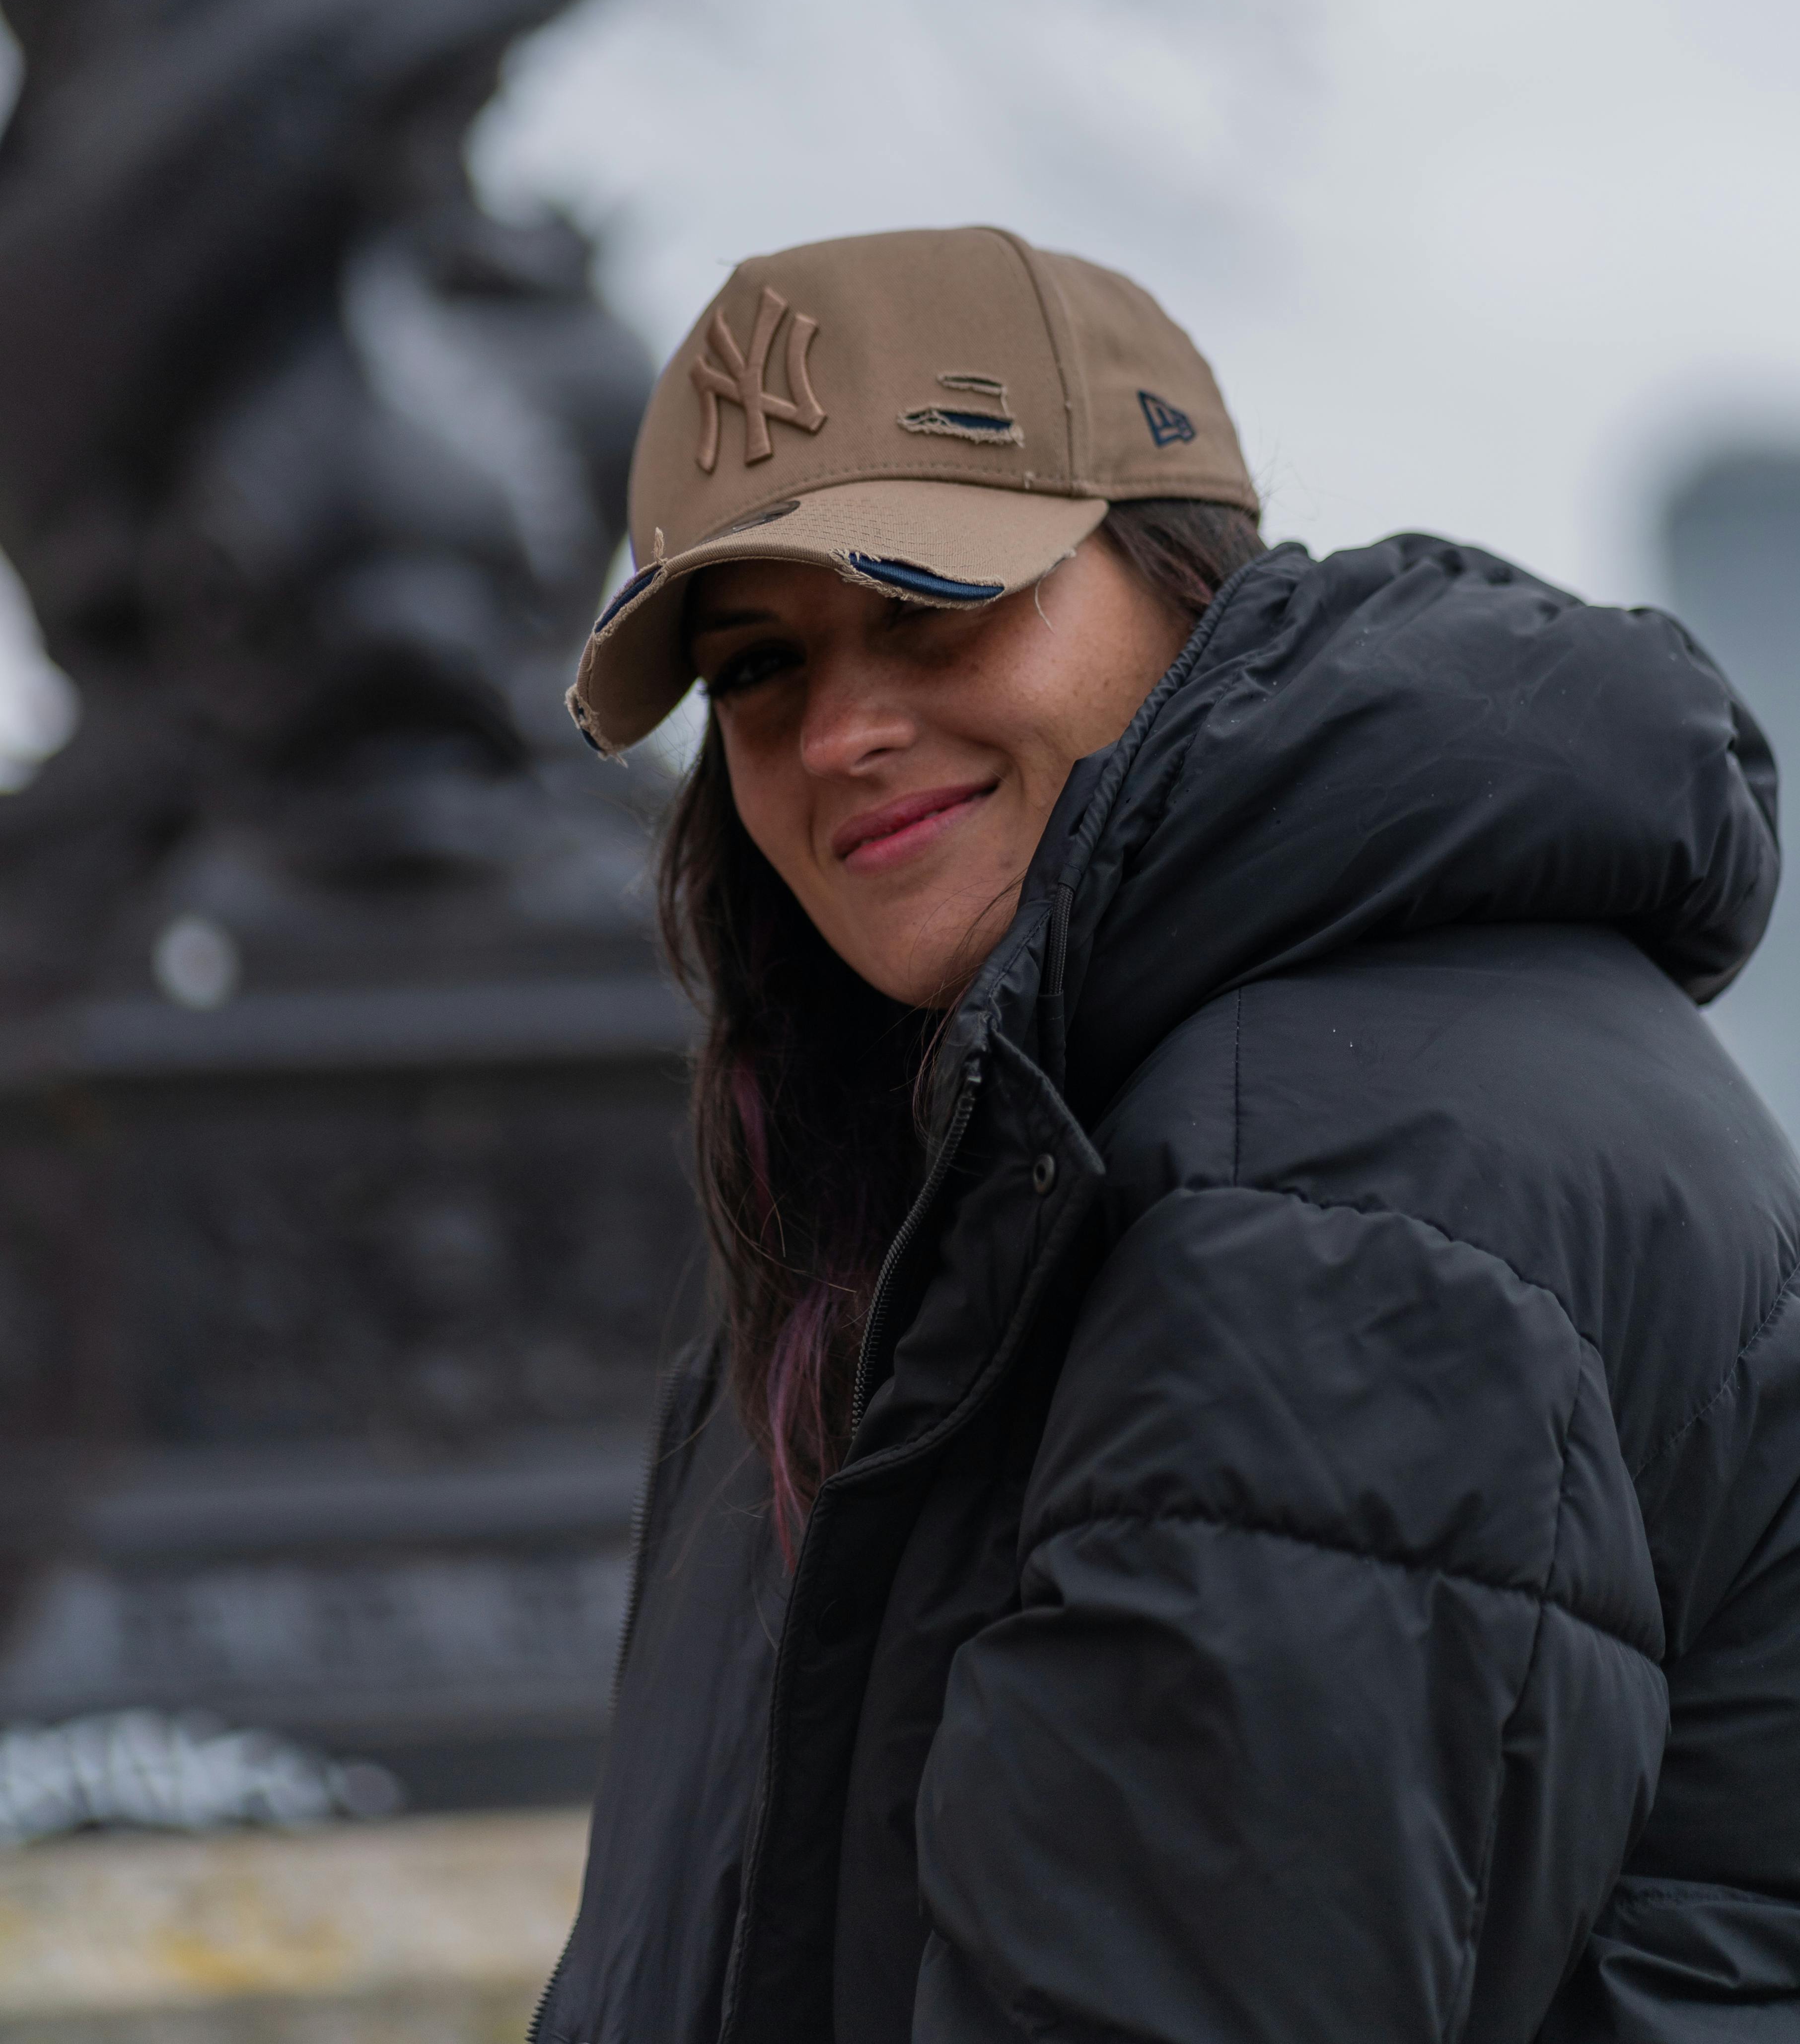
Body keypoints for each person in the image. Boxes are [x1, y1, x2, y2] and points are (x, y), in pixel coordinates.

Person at [538, 225, 1800, 2044]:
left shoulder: (1328, 1187)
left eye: (927, 598)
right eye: (754, 669)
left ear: (1185, 584)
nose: (838, 731)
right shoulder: (947, 1174)